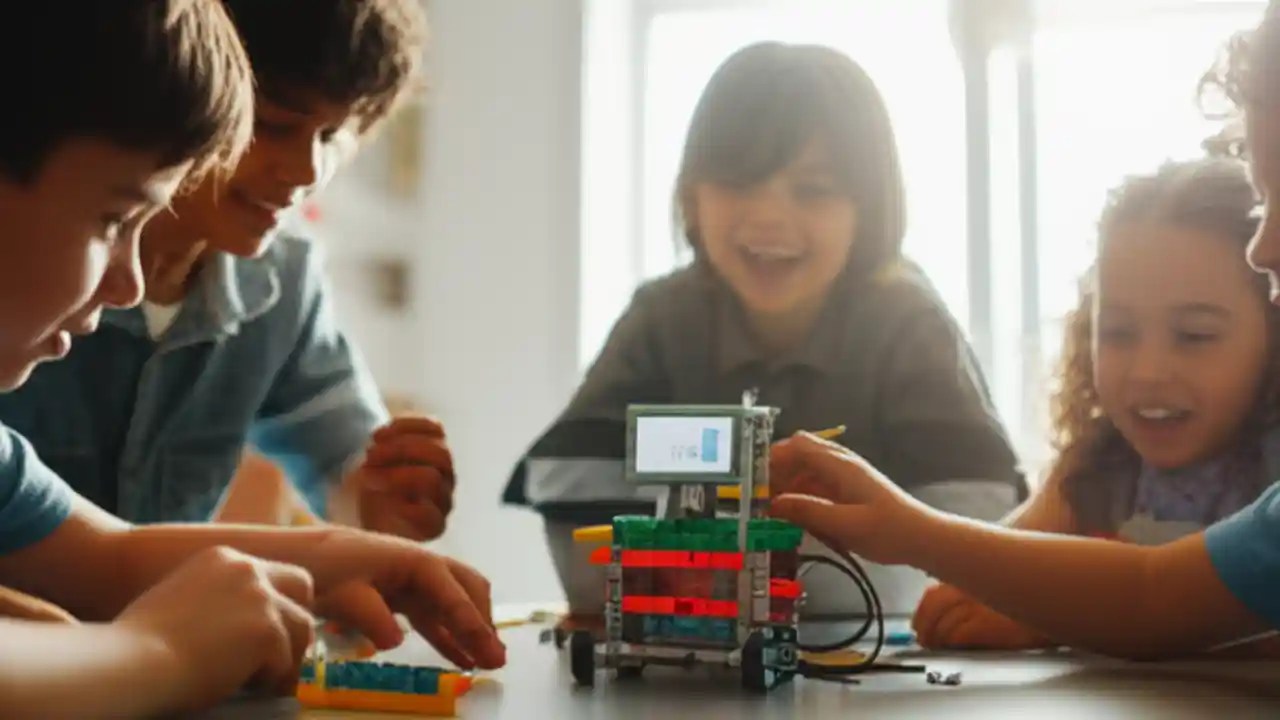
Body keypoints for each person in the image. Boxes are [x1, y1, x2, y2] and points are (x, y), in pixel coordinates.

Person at [0, 4, 502, 717]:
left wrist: (357, 548)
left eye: (333, 135)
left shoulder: (285, 283)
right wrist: (159, 650)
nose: (129, 281)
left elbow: (112, 557)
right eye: (113, 221)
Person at [504, 41, 1025, 614]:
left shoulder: (907, 322)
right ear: (691, 194)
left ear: (868, 208)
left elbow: (980, 534)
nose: (769, 217)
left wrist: (713, 574)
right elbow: (572, 508)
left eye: (814, 190)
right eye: (739, 181)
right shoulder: (661, 318)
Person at [0, 0, 454, 542]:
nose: (307, 170)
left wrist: (383, 501)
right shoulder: (32, 278)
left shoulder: (284, 281)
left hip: (163, 620)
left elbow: (344, 461)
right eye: (275, 126)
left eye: (332, 136)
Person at [914, 158, 1280, 650]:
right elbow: (982, 575)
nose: (1148, 371)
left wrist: (1058, 620)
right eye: (1118, 333)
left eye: (1195, 336)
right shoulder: (1096, 468)